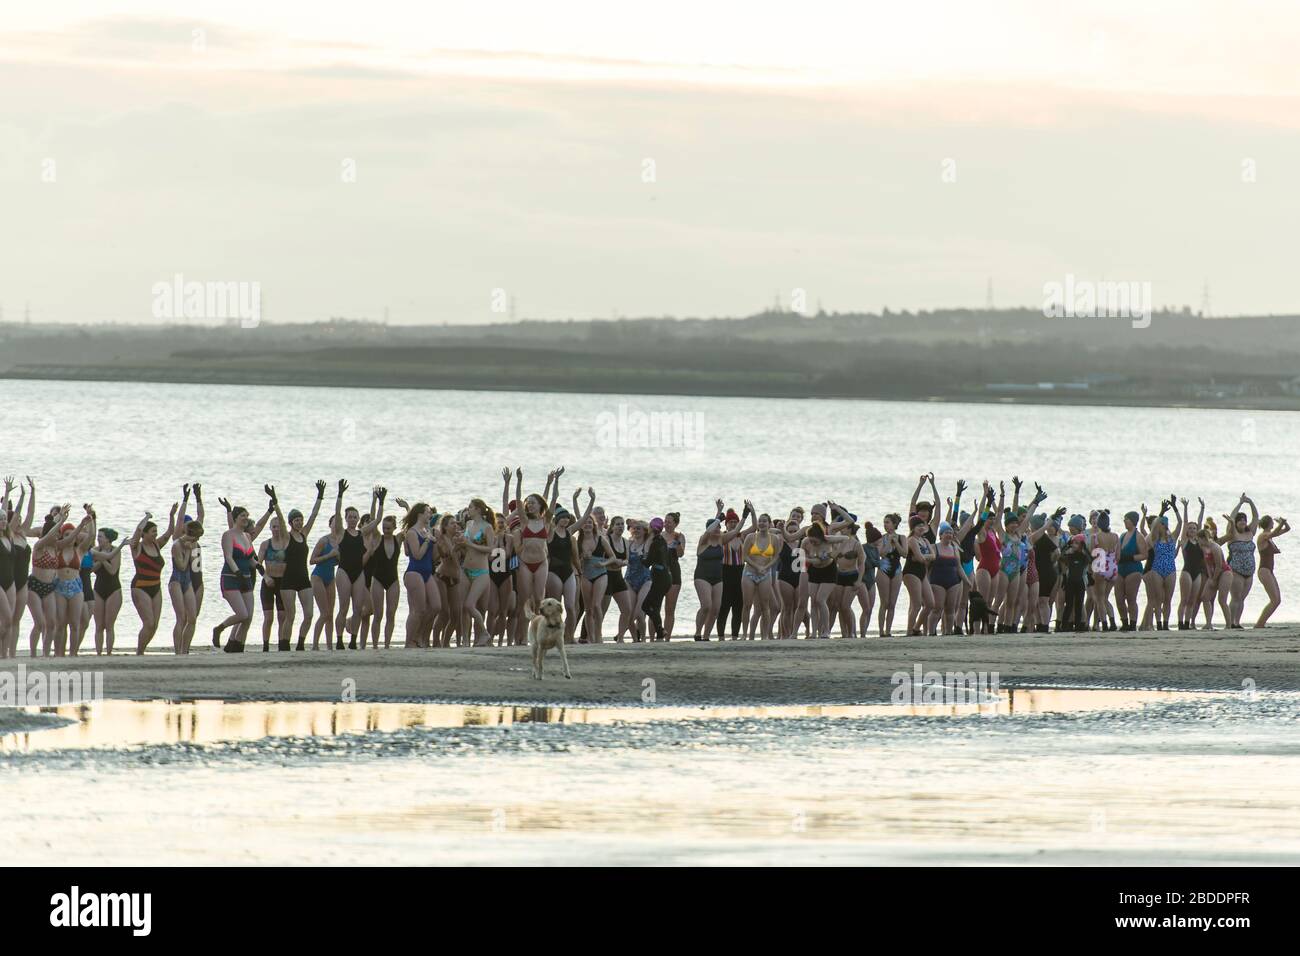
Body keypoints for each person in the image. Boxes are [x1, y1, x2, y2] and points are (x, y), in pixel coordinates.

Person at [272, 481, 327, 651]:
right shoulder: (287, 537)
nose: (300, 522)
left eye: (300, 519)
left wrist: (320, 495)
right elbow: (280, 519)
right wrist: (275, 501)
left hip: (303, 578)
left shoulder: (304, 534)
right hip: (288, 579)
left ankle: (301, 643)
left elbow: (314, 515)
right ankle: (284, 644)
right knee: (291, 615)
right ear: (291, 522)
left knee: (309, 614)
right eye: (296, 520)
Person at [129, 505, 177, 655]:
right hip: (140, 587)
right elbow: (137, 532)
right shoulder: (136, 547)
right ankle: (139, 652)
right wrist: (147, 518)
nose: (155, 535)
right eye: (152, 532)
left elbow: (170, 533)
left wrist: (171, 515)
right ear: (145, 534)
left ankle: (142, 650)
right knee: (148, 623)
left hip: (156, 587)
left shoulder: (156, 544)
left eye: (156, 532)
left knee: (155, 625)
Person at [1217, 493, 1259, 630]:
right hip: (1236, 570)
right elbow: (1232, 516)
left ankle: (1237, 621)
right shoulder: (1233, 533)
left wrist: (1250, 502)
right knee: (1235, 597)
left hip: (1249, 571)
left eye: (1244, 520)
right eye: (1240, 520)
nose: (1242, 522)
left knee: (1242, 598)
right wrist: (1240, 503)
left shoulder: (1250, 533)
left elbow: (1256, 517)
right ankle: (1230, 623)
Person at [167, 516, 204, 654]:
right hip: (176, 580)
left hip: (188, 581)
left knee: (192, 618)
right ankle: (178, 652)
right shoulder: (177, 544)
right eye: (196, 537)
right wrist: (188, 550)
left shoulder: (194, 544)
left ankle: (185, 650)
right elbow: (182, 566)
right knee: (181, 617)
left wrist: (192, 549)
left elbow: (195, 565)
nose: (197, 541)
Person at [91, 527, 129, 655]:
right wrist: (103, 559)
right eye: (98, 536)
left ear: (108, 539)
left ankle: (109, 652)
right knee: (98, 625)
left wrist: (102, 559)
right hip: (98, 588)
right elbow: (91, 569)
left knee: (109, 624)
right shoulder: (95, 550)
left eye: (100, 536)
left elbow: (113, 570)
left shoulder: (115, 551)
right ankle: (98, 653)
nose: (98, 538)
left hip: (113, 589)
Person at [310, 514, 342, 649]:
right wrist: (329, 555)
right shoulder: (324, 540)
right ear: (330, 525)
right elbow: (312, 560)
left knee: (331, 613)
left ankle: (329, 645)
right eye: (334, 522)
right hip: (318, 576)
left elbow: (339, 562)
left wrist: (338, 557)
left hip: (330, 577)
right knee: (324, 613)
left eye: (339, 523)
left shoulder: (341, 542)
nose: (337, 525)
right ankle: (315, 644)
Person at [1254, 514, 1289, 628]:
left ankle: (1261, 624)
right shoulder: (1263, 536)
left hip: (1269, 571)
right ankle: (1259, 624)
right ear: (1269, 523)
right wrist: (1281, 523)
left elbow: (1287, 529)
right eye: (1272, 523)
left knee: (1277, 600)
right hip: (1264, 571)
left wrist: (1284, 523)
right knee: (1274, 600)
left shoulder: (1269, 537)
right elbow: (1273, 533)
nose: (1273, 525)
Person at [642, 517, 673, 641]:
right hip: (666, 577)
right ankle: (660, 634)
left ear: (651, 528)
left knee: (645, 606)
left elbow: (647, 562)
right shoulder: (663, 541)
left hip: (660, 579)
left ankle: (660, 629)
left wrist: (640, 557)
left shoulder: (655, 542)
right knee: (655, 606)